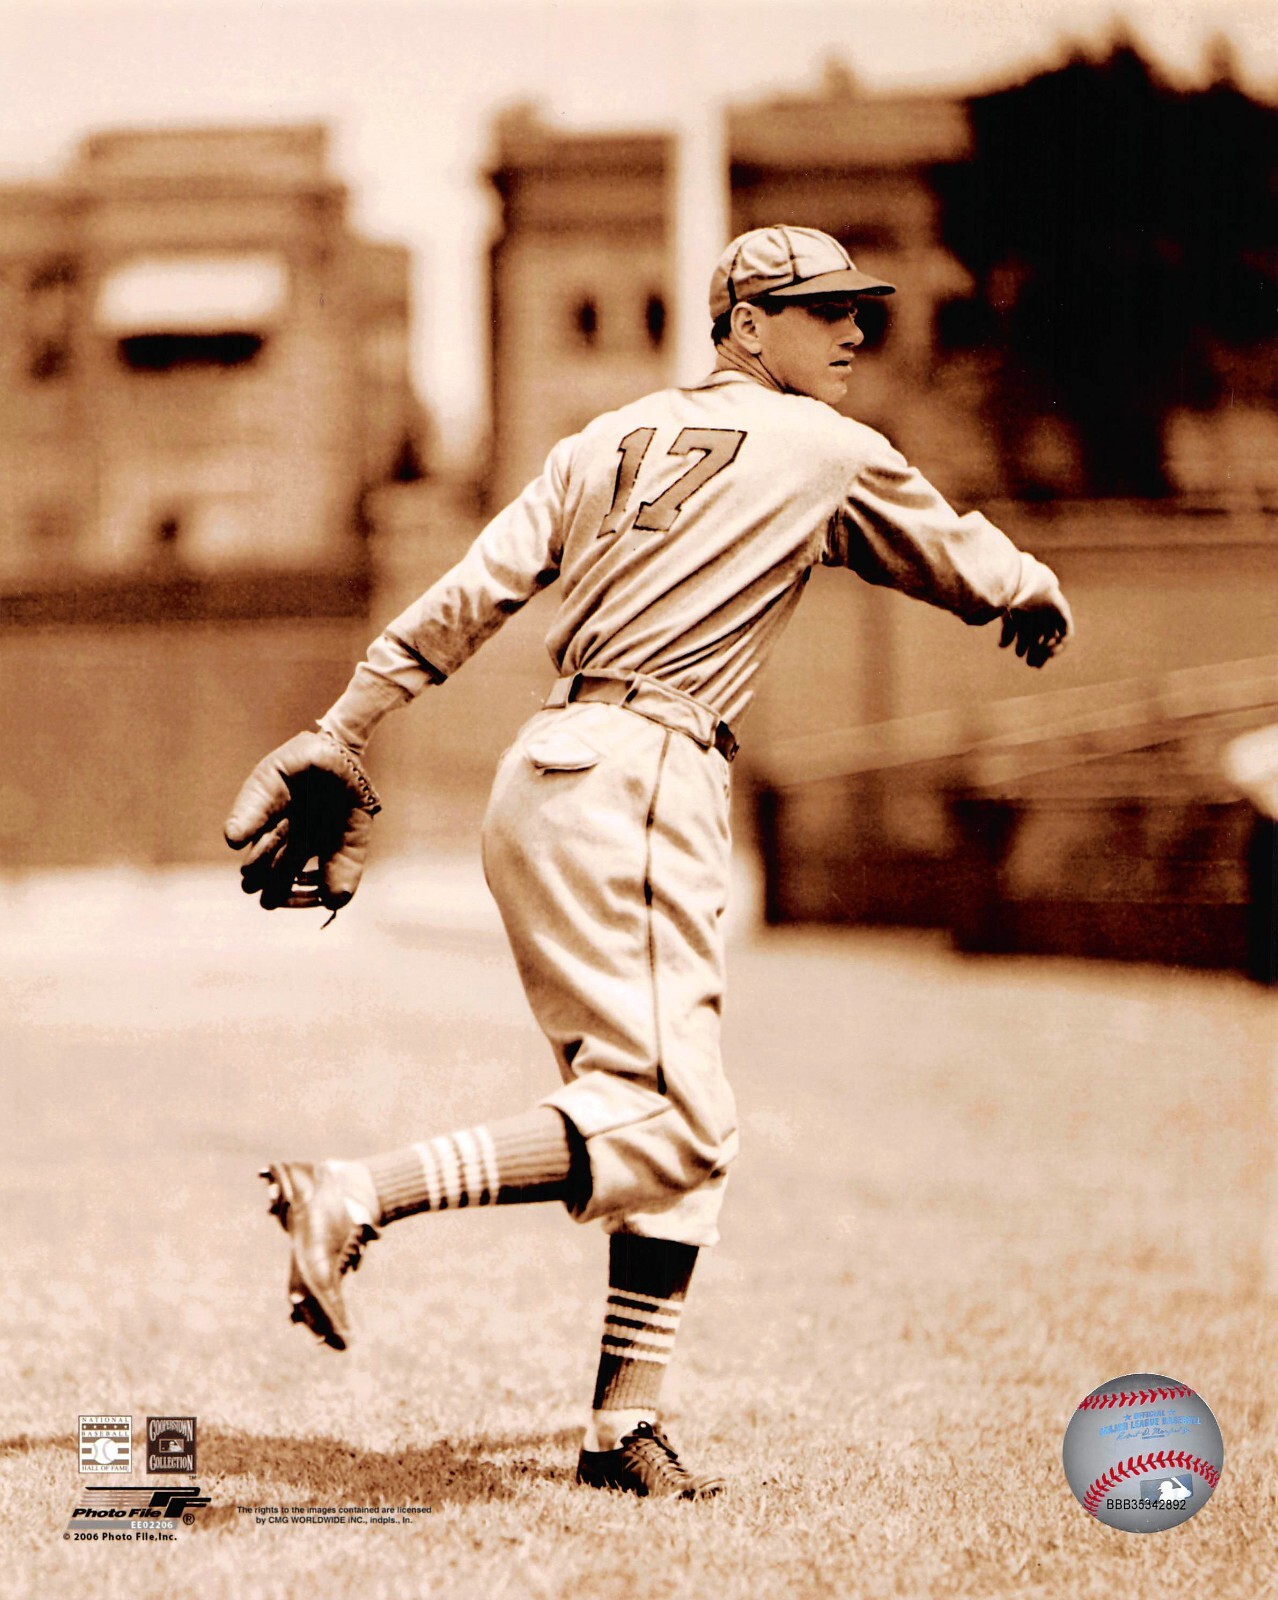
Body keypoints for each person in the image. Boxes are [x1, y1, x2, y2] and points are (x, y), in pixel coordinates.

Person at [225, 224, 1074, 1500]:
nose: (854, 329)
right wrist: (1030, 586)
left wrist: (345, 725)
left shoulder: (603, 439)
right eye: (822, 308)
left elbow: (471, 593)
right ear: (745, 323)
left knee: (662, 1108)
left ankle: (624, 1428)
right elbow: (964, 561)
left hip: (545, 774)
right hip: (646, 772)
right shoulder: (826, 446)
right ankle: (354, 1192)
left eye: (859, 308)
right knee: (673, 1115)